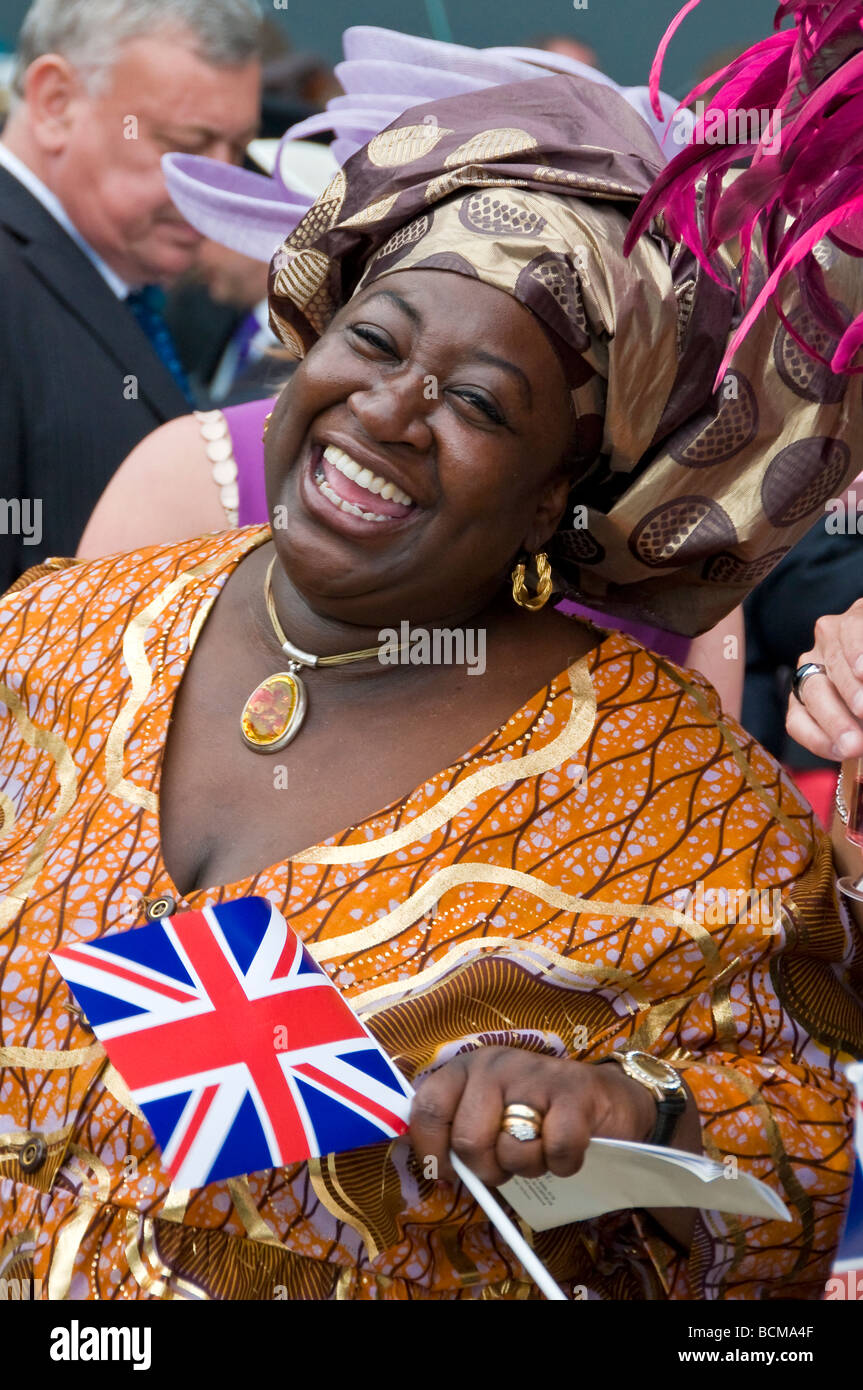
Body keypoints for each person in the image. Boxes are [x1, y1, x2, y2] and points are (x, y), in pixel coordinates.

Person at [2, 67, 862, 1302]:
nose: (390, 411)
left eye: (476, 404)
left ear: (556, 498)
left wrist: (637, 1110)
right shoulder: (61, 631)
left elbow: (801, 1150)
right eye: (374, 340)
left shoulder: (668, 795)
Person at [0, 0, 262, 592]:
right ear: (55, 103)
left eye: (239, 148)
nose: (217, 186)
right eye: (187, 143)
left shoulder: (114, 283)